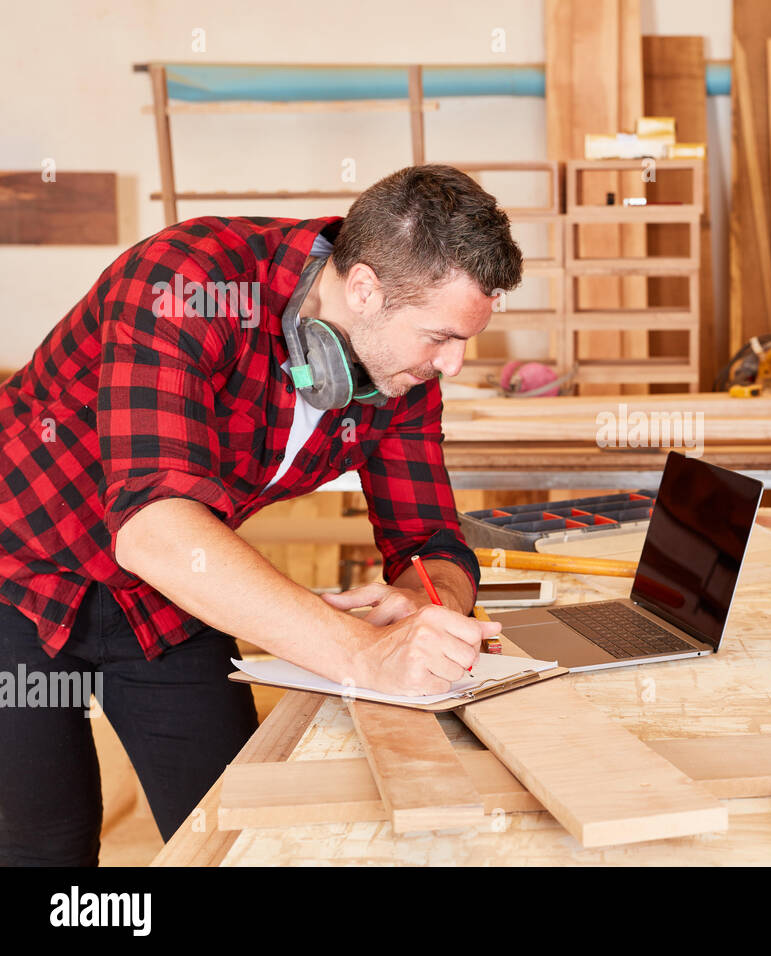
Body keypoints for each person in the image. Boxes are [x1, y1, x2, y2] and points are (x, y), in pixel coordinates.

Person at [0, 164, 522, 864]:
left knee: (237, 825)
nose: (454, 365)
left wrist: (429, 606)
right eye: (440, 337)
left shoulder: (400, 371)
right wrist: (364, 654)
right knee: (45, 842)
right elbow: (156, 529)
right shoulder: (186, 285)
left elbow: (428, 535)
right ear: (364, 289)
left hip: (162, 602)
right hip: (21, 574)